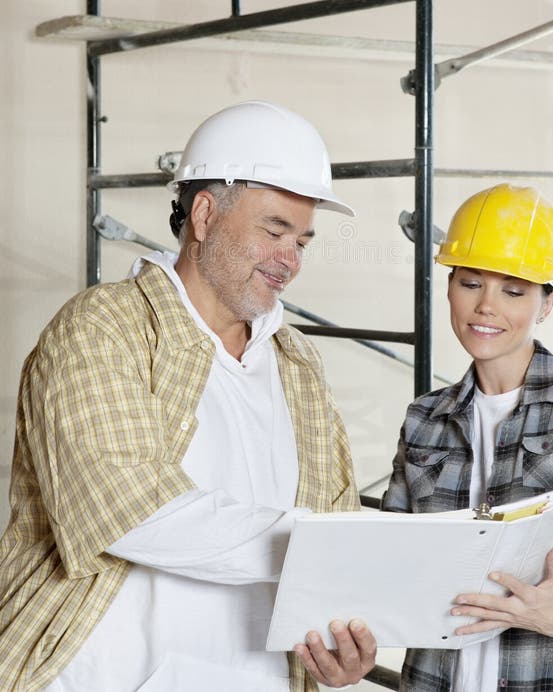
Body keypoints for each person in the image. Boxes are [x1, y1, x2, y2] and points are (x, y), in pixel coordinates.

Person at [0, 100, 377, 692]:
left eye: (302, 241)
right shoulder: (103, 328)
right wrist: (324, 550)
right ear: (204, 213)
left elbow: (337, 526)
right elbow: (126, 512)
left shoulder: (297, 363)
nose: (290, 260)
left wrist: (338, 644)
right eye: (273, 230)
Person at [383, 183, 553, 691]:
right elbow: (393, 556)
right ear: (450, 285)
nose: (486, 307)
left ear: (549, 301)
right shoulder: (425, 418)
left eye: (514, 290)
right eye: (471, 282)